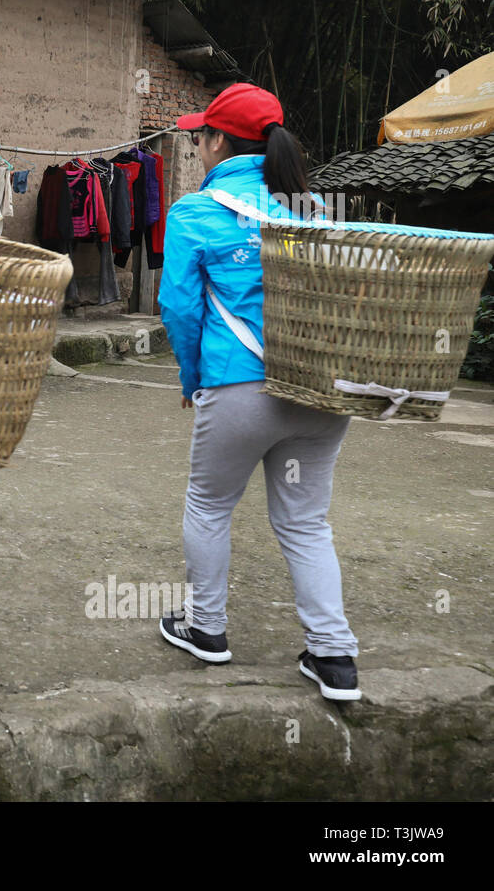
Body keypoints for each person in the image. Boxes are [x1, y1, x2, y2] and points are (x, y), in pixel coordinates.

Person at [157, 83, 362, 701]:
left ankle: (206, 630)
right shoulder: (315, 211)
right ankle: (334, 657)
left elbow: (180, 309)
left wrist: (192, 379)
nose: (197, 145)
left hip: (238, 386)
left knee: (210, 504)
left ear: (218, 141)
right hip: (319, 391)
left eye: (200, 136)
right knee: (306, 522)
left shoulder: (195, 212)